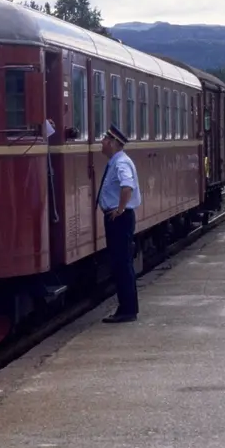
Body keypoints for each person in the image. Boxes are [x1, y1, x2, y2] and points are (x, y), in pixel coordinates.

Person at [98, 124, 141, 323]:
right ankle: (127, 308)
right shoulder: (117, 161)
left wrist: (120, 209)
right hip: (119, 217)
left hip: (119, 219)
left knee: (121, 264)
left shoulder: (121, 163)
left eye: (106, 139)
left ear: (114, 143)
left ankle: (127, 310)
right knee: (121, 263)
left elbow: (127, 186)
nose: (102, 142)